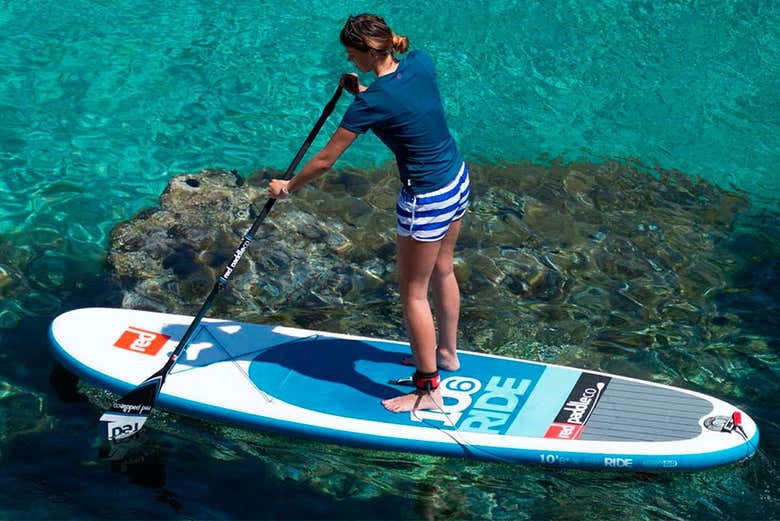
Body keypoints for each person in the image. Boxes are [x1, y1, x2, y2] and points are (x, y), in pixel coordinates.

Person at [268, 13, 470, 413]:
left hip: (426, 199)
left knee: (413, 293)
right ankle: (447, 353)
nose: (349, 59)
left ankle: (428, 390)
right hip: (457, 180)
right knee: (443, 270)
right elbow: (403, 110)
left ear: (366, 50)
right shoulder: (419, 63)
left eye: (351, 53)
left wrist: (287, 188)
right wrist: (360, 91)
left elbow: (326, 160)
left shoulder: (373, 102)